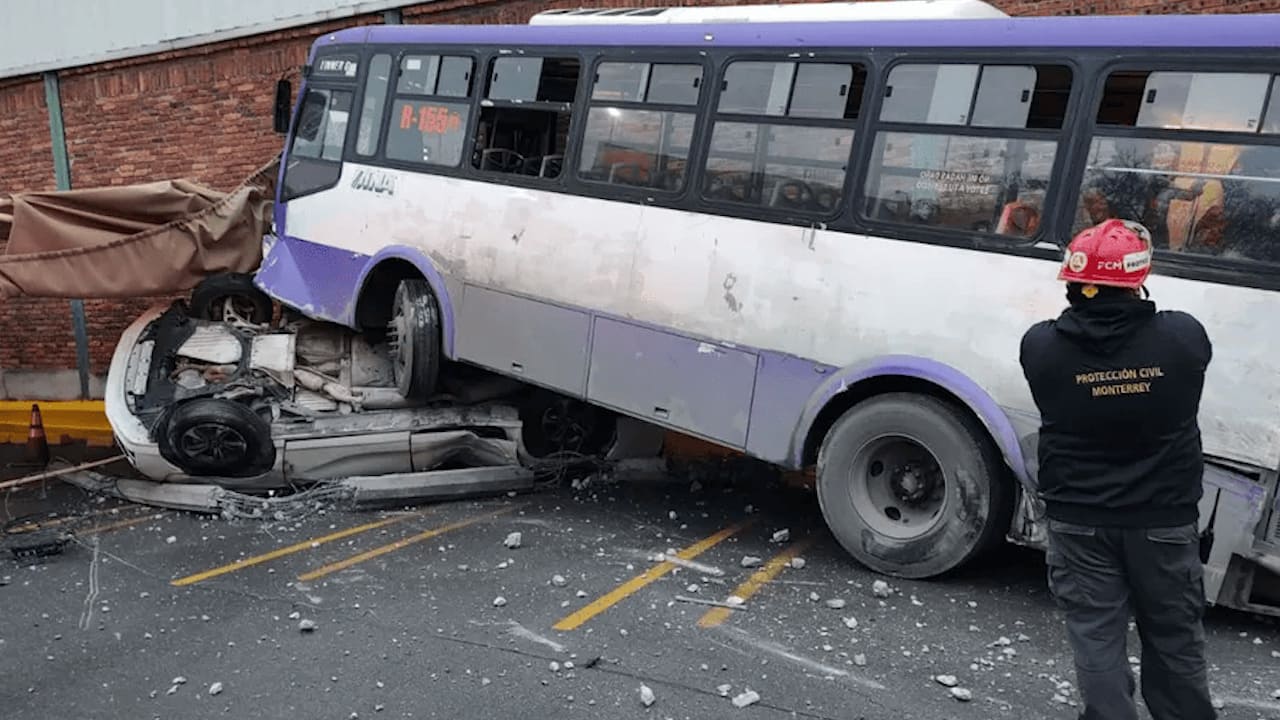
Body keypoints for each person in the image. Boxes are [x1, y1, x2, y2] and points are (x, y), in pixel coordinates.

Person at [1018, 219, 1215, 720]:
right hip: (1163, 521)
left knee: (1096, 636)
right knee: (1174, 638)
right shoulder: (1183, 336)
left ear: (1073, 282)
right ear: (1138, 279)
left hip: (1078, 518)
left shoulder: (1040, 346)